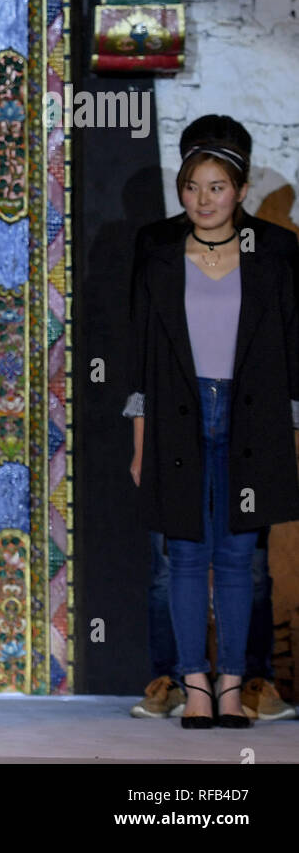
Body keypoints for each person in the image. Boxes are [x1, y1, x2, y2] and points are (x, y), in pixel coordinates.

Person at [125, 120, 299, 728]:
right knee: (184, 554)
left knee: (238, 557)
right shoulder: (159, 251)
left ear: (241, 190)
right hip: (179, 411)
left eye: (217, 187)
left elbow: (291, 352)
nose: (204, 199)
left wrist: (290, 434)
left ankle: (233, 685)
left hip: (252, 417)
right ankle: (191, 683)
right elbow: (139, 355)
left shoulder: (276, 253)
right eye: (193, 186)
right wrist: (140, 439)